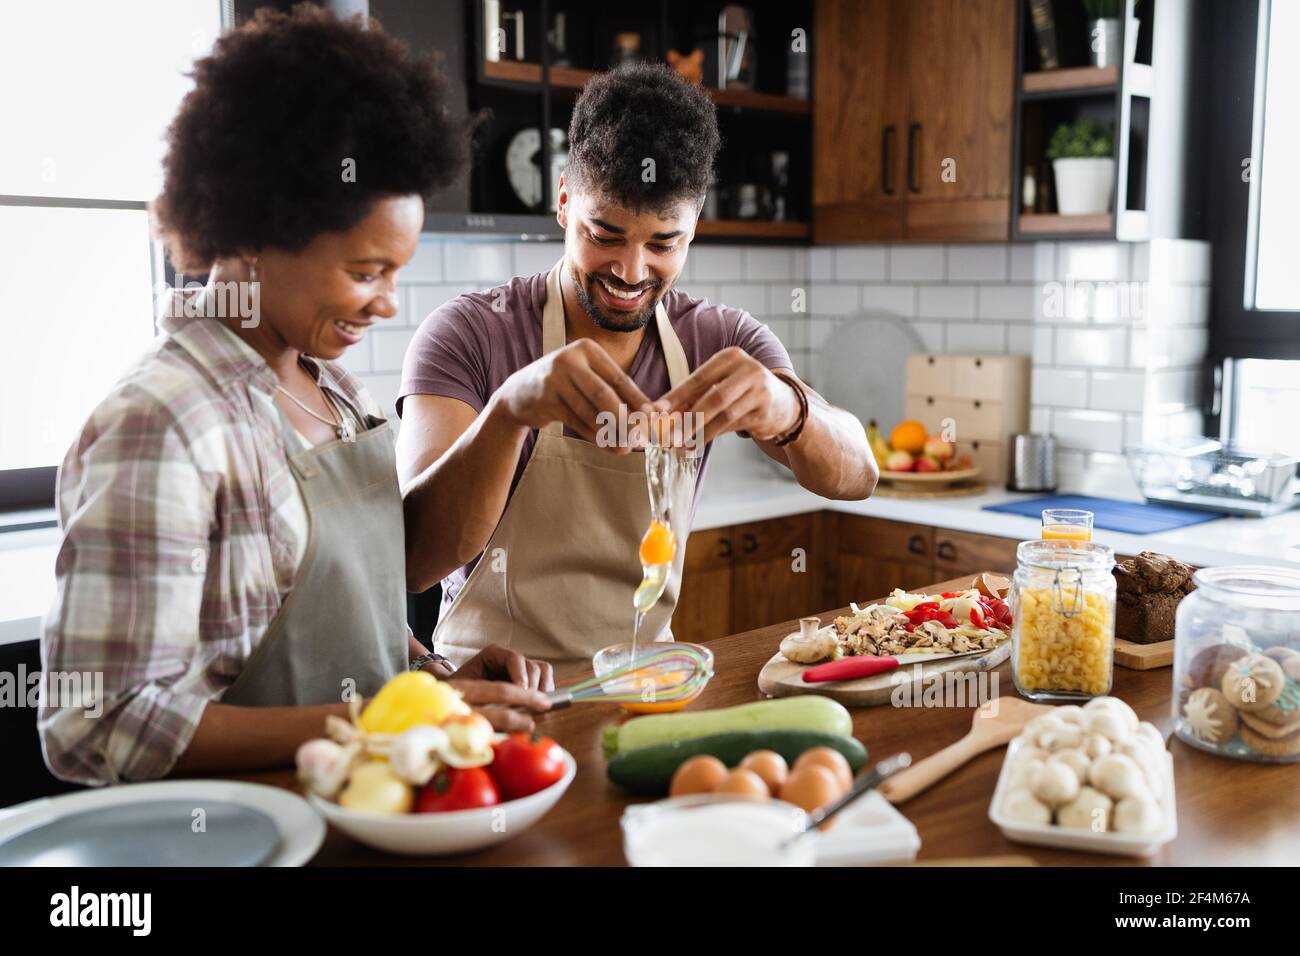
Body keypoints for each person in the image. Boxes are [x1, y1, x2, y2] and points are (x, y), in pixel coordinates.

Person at [40, 7, 551, 787]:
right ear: (254, 232)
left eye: (396, 272)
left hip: (371, 816)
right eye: (365, 271)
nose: (387, 304)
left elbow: (364, 623)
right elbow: (99, 724)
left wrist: (434, 683)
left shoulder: (338, 393)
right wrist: (384, 721)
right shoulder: (163, 423)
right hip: (249, 833)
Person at [397, 63, 877, 675]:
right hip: (490, 698)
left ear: (695, 223)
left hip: (645, 688)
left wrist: (789, 410)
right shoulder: (468, 333)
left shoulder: (719, 339)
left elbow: (859, 475)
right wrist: (511, 411)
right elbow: (413, 559)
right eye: (606, 234)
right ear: (565, 198)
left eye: (662, 243)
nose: (630, 270)